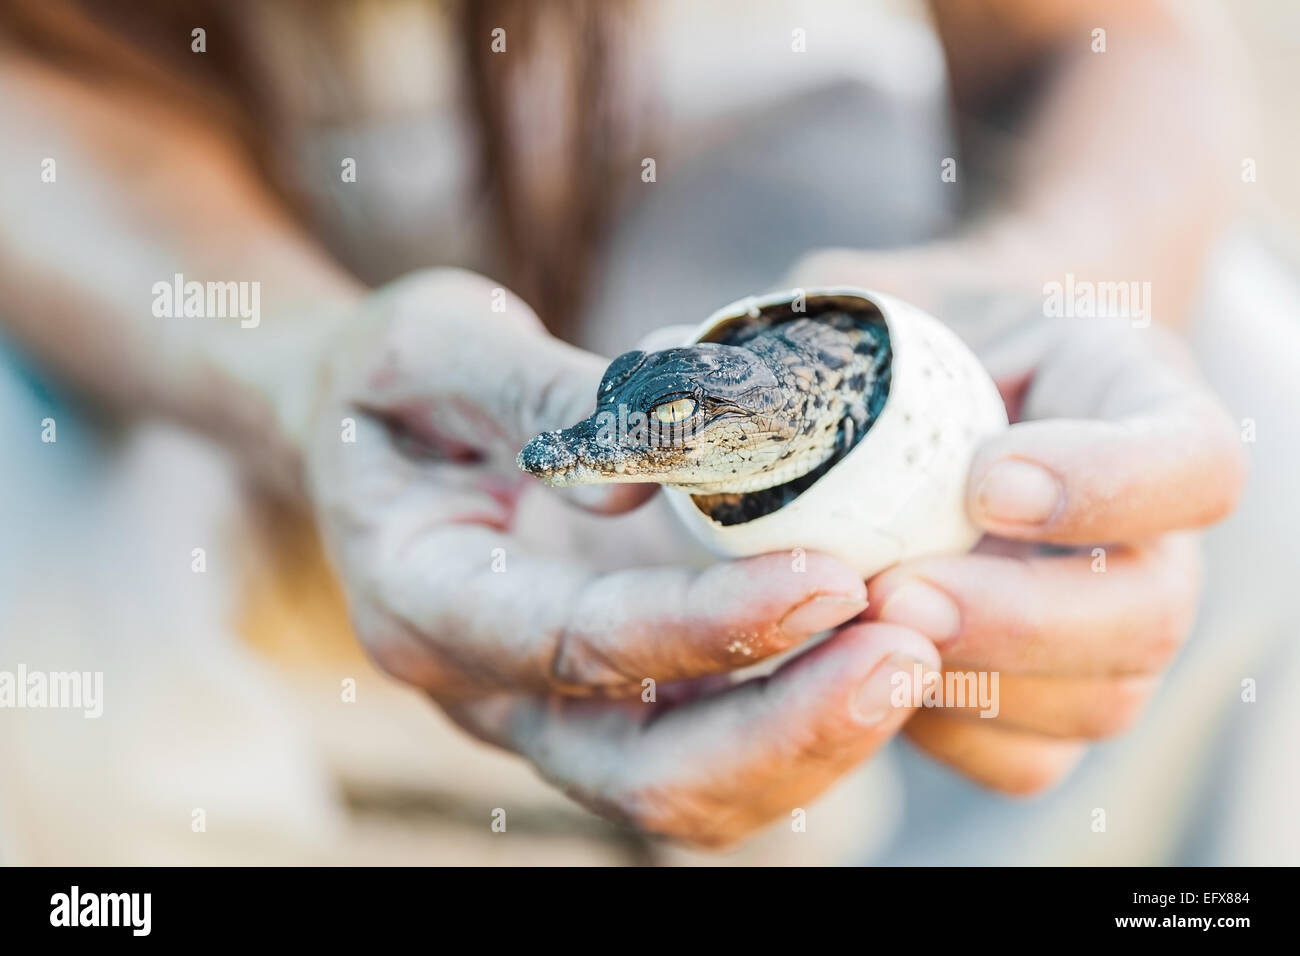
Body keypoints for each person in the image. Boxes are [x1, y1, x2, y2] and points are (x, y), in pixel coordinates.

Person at [0, 0, 1268, 855]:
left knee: (1255, 421)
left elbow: (1110, 37)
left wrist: (1054, 274)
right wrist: (301, 366)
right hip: (160, 217)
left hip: (755, 177)